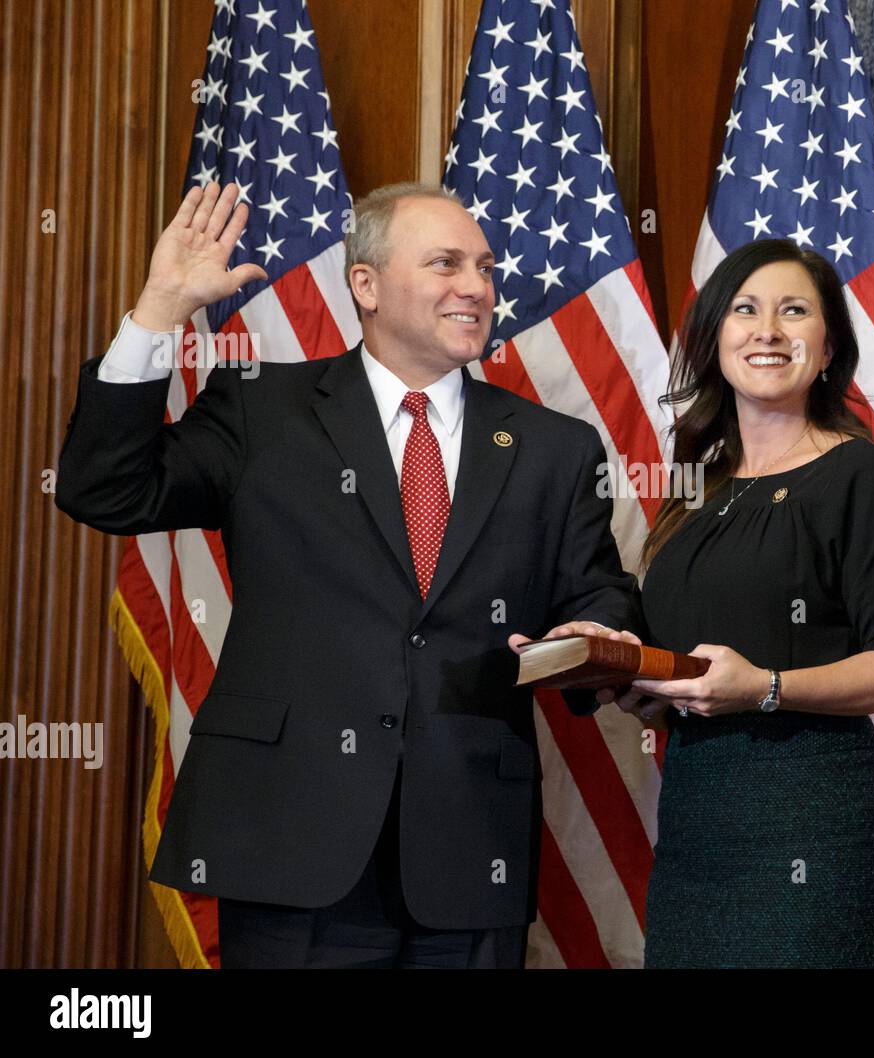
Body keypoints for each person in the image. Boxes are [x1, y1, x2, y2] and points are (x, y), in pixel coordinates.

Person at [55, 181, 640, 968]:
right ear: (365, 284)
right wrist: (159, 310)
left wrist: (598, 634)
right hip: (289, 843)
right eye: (445, 263)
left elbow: (595, 595)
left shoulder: (554, 448)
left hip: (469, 852)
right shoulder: (264, 410)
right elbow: (107, 488)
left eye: (485, 267)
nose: (476, 286)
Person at [610, 239, 874, 968]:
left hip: (811, 826)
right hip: (695, 827)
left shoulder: (862, 475)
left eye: (794, 311)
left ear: (830, 345)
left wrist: (766, 689)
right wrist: (626, 672)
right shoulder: (696, 485)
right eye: (745, 309)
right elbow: (692, 656)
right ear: (715, 337)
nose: (768, 330)